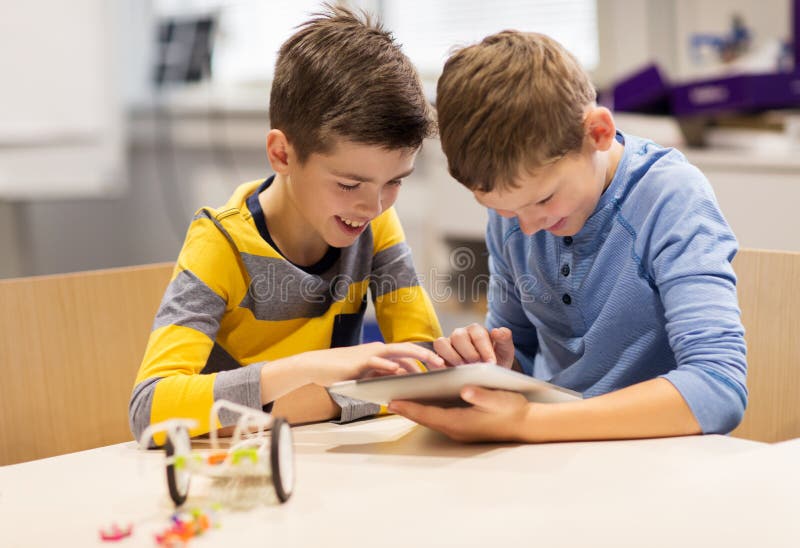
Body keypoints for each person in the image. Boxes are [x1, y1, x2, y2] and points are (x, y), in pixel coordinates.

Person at [389, 31, 747, 443]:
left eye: (544, 199)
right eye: (503, 210)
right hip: (556, 455)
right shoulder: (519, 215)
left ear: (598, 133)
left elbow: (719, 387)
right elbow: (521, 349)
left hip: (658, 459)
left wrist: (526, 422)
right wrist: (494, 369)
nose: (526, 227)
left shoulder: (670, 198)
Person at [130, 5, 444, 443]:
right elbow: (149, 409)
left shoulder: (376, 224)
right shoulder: (218, 244)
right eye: (350, 184)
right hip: (238, 473)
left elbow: (420, 371)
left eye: (394, 182)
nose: (373, 206)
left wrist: (301, 403)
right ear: (282, 154)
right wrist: (306, 372)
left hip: (327, 462)